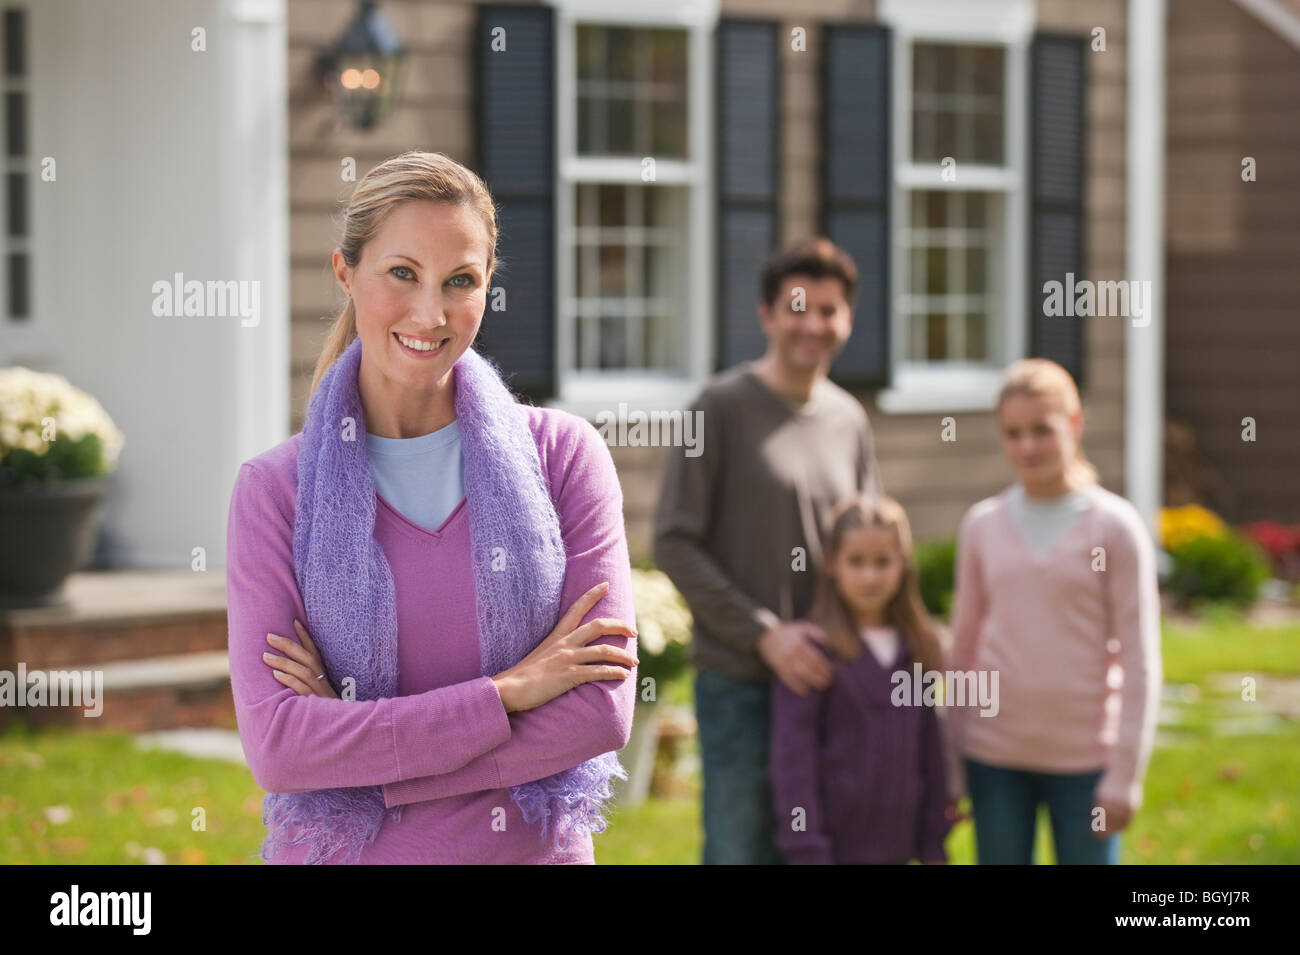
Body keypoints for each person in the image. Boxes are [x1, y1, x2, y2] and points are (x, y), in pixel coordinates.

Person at [225, 151, 639, 864]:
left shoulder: (566, 458)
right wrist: (508, 693)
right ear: (345, 272)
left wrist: (366, 753)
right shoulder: (275, 492)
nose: (431, 312)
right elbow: (281, 747)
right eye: (402, 274)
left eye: (460, 281)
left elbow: (600, 711)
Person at [653, 237, 884, 864]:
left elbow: (872, 547)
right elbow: (673, 541)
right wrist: (766, 634)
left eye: (830, 310)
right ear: (767, 314)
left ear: (849, 320)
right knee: (740, 850)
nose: (813, 324)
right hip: (741, 684)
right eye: (798, 307)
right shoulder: (720, 409)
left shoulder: (849, 420)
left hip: (830, 681)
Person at [946, 358, 1163, 864]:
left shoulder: (1114, 527)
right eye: (1012, 433)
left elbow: (1140, 660)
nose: (1027, 447)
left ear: (1074, 424)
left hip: (1086, 763)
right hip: (994, 758)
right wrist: (952, 758)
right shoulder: (981, 525)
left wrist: (1125, 774)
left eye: (1041, 430)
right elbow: (963, 651)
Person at [770, 493, 955, 865]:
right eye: (856, 562)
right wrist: (807, 849)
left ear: (903, 564)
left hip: (901, 850)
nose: (870, 576)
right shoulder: (812, 653)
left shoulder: (916, 649)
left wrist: (935, 841)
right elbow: (793, 765)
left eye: (882, 561)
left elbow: (930, 753)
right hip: (831, 853)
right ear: (833, 564)